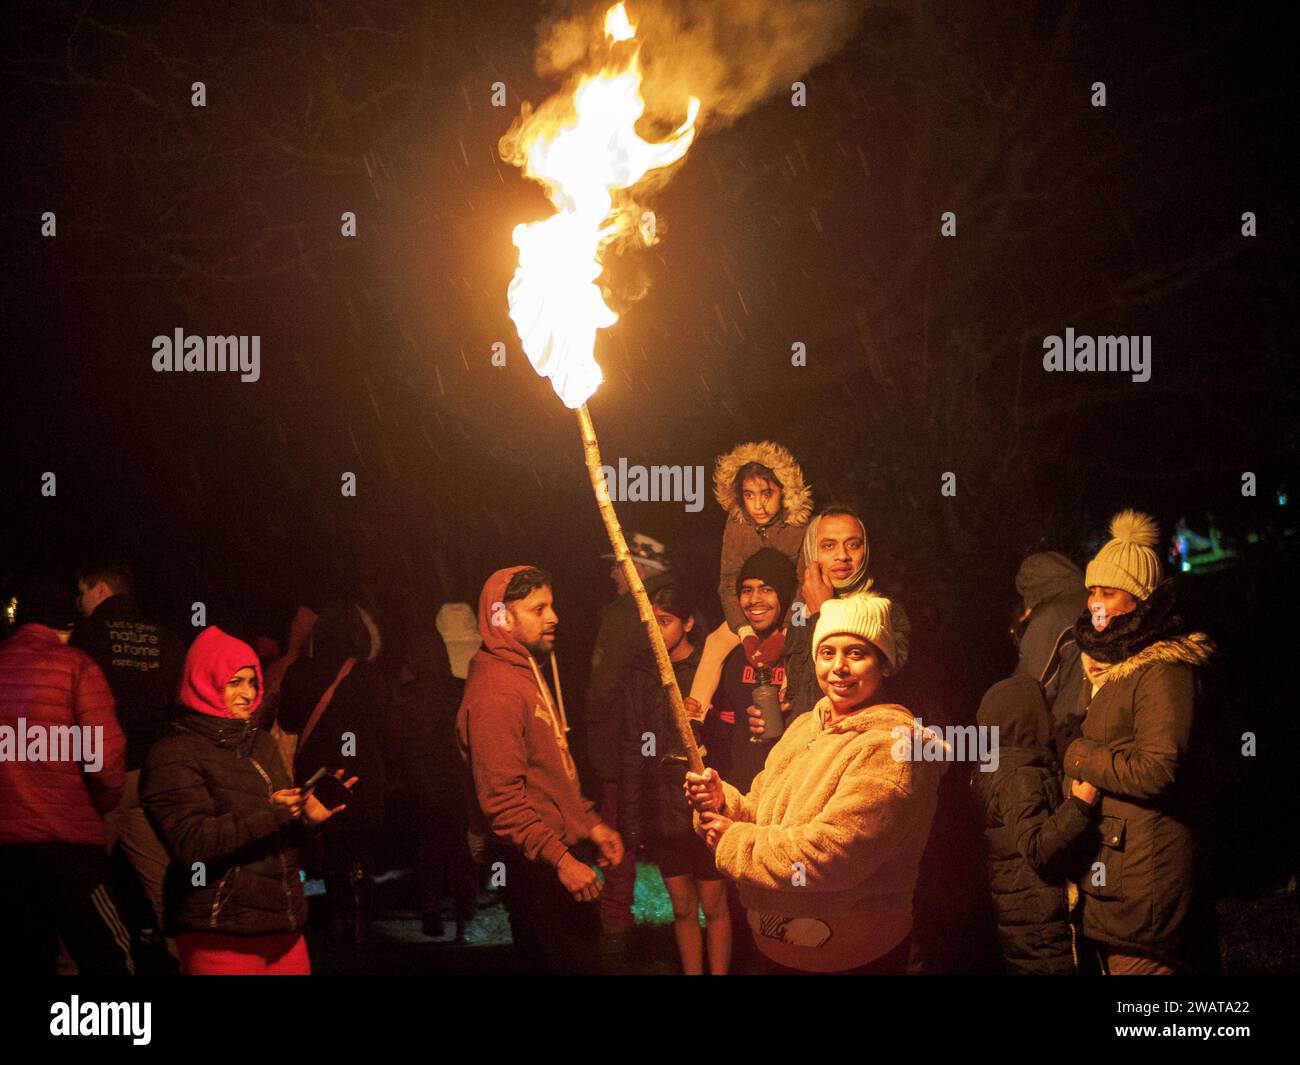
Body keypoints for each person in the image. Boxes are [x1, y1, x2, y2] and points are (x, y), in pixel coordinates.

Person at [686, 595, 944, 974]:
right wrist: (723, 803)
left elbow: (829, 856)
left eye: (856, 653)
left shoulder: (894, 748)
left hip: (848, 955)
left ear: (885, 663)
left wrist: (732, 840)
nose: (838, 667)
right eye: (827, 653)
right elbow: (763, 809)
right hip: (780, 947)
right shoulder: (807, 725)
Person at [141, 626, 354, 975]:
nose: (247, 693)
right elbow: (191, 842)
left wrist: (305, 821)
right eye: (234, 682)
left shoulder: (261, 745)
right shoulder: (174, 753)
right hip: (221, 930)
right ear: (205, 681)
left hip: (283, 928)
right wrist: (272, 812)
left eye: (252, 681)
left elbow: (276, 833)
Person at [1063, 509, 1217, 975]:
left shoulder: (1163, 671)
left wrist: (1077, 754)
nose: (1096, 603)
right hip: (1118, 875)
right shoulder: (1107, 664)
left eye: (1109, 592)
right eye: (1091, 591)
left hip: (1148, 882)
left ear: (1142, 599)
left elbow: (1159, 769)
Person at [457, 566, 623, 974]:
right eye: (538, 609)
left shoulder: (524, 669)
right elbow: (501, 800)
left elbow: (552, 765)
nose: (554, 618)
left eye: (552, 605)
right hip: (537, 867)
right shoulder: (496, 690)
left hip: (556, 854)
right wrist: (563, 860)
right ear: (502, 617)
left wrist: (589, 822)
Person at [0, 575, 132, 975]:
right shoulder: (76, 666)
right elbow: (105, 761)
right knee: (107, 955)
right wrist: (99, 807)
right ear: (67, 625)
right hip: (69, 844)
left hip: (5, 847)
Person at [70, 560, 185, 953]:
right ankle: (187, 956)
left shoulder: (86, 637)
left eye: (81, 591)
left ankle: (68, 964)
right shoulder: (167, 639)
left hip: (104, 777)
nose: (78, 601)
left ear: (99, 589)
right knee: (161, 876)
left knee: (78, 879)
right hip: (153, 774)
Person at [618, 581, 730, 974]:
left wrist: (705, 717)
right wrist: (632, 820)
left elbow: (728, 741)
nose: (655, 629)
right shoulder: (640, 674)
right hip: (663, 811)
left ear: (686, 622)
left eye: (664, 621)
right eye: (649, 621)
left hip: (702, 809)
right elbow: (634, 746)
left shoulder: (708, 668)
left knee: (714, 906)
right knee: (682, 908)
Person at [972, 674, 1099, 974]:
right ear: (1025, 714)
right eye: (1044, 708)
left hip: (1028, 920)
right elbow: (1037, 848)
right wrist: (1080, 805)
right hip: (1042, 925)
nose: (1051, 716)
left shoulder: (1000, 765)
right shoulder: (1019, 773)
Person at [277, 600, 388, 946]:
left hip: (320, 774)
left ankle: (338, 913)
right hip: (363, 772)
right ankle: (363, 912)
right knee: (361, 847)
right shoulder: (369, 674)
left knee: (332, 845)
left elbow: (290, 722)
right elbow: (387, 725)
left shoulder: (299, 672)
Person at [585, 532, 674, 936]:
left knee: (616, 840)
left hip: (622, 752)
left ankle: (614, 933)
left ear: (638, 570)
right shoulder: (675, 609)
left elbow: (603, 689)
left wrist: (590, 730)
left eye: (618, 565)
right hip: (665, 751)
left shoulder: (624, 614)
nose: (610, 573)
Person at [687, 442, 812, 715]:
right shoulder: (737, 524)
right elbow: (729, 581)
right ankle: (693, 721)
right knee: (715, 643)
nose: (759, 504)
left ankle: (782, 711)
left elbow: (805, 585)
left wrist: (786, 631)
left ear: (783, 491)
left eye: (767, 493)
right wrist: (744, 632)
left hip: (791, 612)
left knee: (796, 651)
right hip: (752, 612)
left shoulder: (799, 526)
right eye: (749, 495)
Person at [782, 505, 912, 721]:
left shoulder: (884, 611)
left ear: (865, 550)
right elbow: (800, 690)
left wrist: (823, 612)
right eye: (828, 545)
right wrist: (780, 710)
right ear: (811, 552)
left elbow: (889, 693)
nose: (842, 556)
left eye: (853, 545)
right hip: (805, 743)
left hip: (856, 741)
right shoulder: (799, 611)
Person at [392, 624, 477, 940]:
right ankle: (464, 912)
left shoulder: (406, 696)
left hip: (422, 781)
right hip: (458, 779)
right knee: (459, 846)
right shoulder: (462, 688)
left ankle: (430, 911)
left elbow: (396, 742)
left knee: (428, 846)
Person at [706, 548, 799, 794]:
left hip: (792, 786)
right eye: (747, 590)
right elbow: (722, 726)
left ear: (785, 594)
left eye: (767, 589)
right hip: (742, 784)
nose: (755, 599)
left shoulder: (803, 650)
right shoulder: (733, 651)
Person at [1011, 551, 1087, 743]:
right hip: (1095, 729)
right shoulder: (1093, 604)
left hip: (1062, 733)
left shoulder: (1049, 619)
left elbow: (1030, 691)